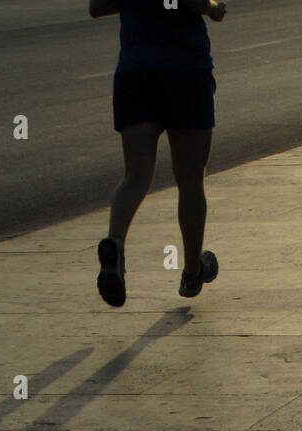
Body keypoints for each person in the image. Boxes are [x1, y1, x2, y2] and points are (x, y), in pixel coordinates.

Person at [89, 0, 226, 305]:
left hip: (135, 76)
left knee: (136, 176)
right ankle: (192, 272)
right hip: (185, 73)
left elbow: (96, 6)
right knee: (190, 178)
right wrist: (213, 8)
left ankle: (115, 244)